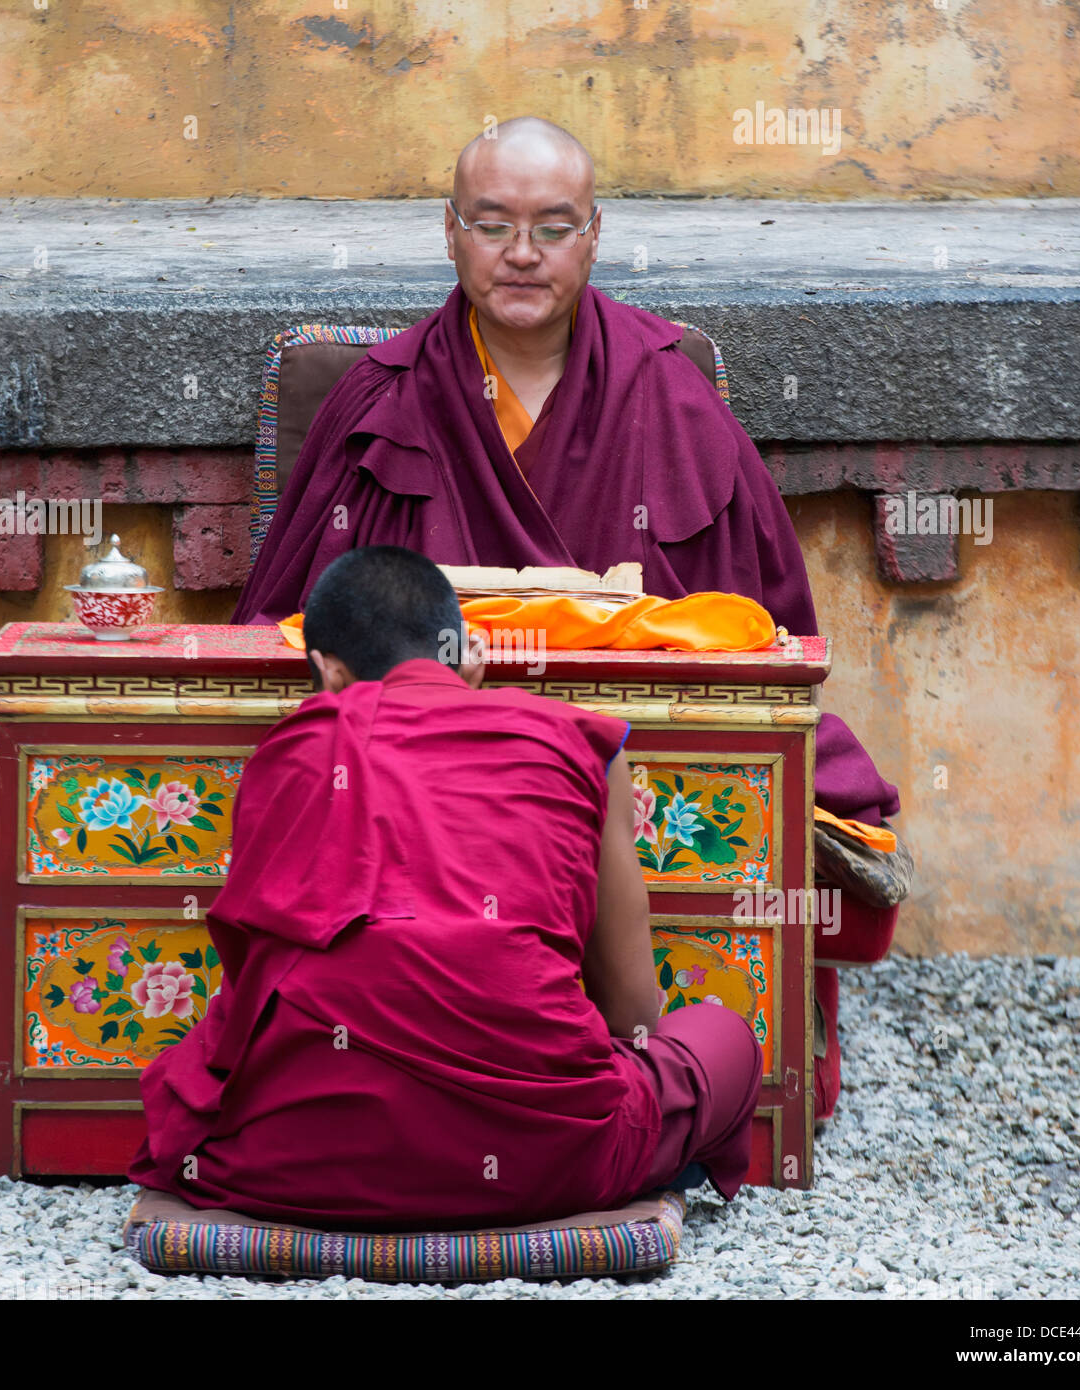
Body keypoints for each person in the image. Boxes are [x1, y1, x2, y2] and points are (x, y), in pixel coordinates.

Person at [232, 116, 901, 1121]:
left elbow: (767, 642)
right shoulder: (382, 399)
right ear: (449, 231)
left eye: (553, 226)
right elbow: (289, 626)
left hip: (637, 777)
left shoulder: (670, 394)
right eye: (493, 223)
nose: (522, 254)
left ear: (595, 234)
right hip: (423, 786)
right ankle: (623, 1090)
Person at [130, 546, 763, 1228]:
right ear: (465, 654)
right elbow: (632, 1017)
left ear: (324, 671)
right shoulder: (570, 741)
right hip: (549, 1159)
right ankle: (633, 1175)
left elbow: (252, 990)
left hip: (292, 1163)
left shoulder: (291, 751)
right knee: (721, 1036)